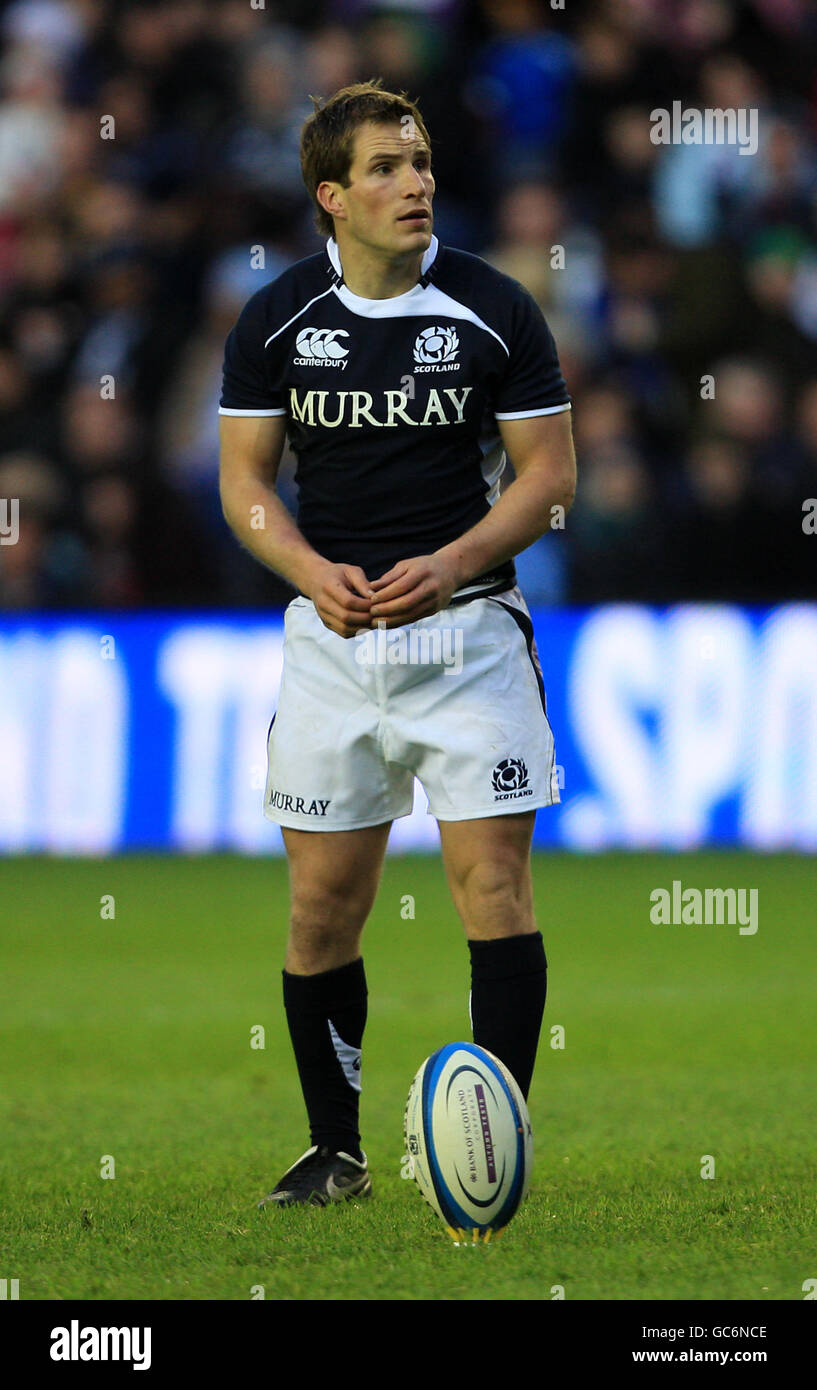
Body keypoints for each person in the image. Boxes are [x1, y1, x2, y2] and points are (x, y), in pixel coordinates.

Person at [218, 80, 576, 1207]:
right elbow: (244, 484)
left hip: (468, 638)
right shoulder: (274, 318)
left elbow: (550, 477)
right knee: (323, 906)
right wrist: (309, 572)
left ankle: (489, 1152)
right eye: (384, 167)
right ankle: (337, 1152)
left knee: (492, 886)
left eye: (418, 163)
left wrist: (455, 561)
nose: (414, 183)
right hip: (331, 644)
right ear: (331, 194)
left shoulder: (493, 308)